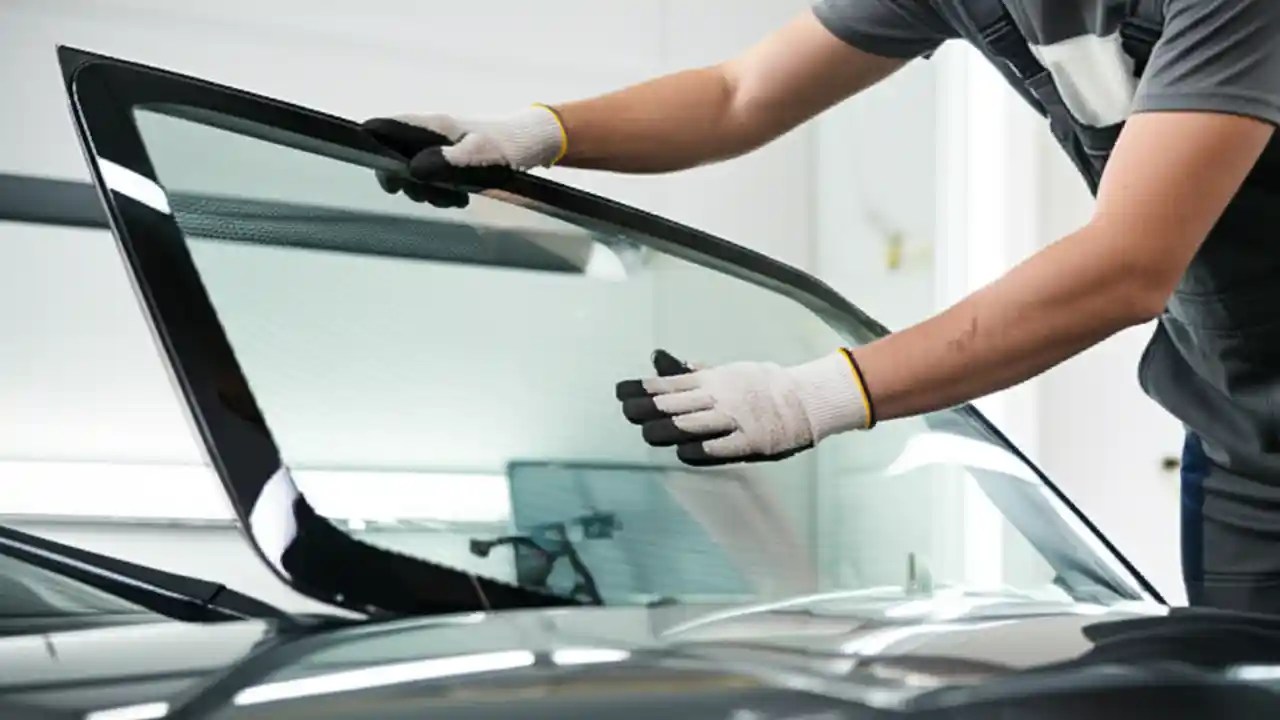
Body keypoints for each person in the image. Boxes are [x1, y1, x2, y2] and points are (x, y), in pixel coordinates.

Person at [363, 0, 1280, 614]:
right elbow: (738, 95)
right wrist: (535, 133)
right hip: (1239, 434)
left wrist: (814, 396)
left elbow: (1127, 263)